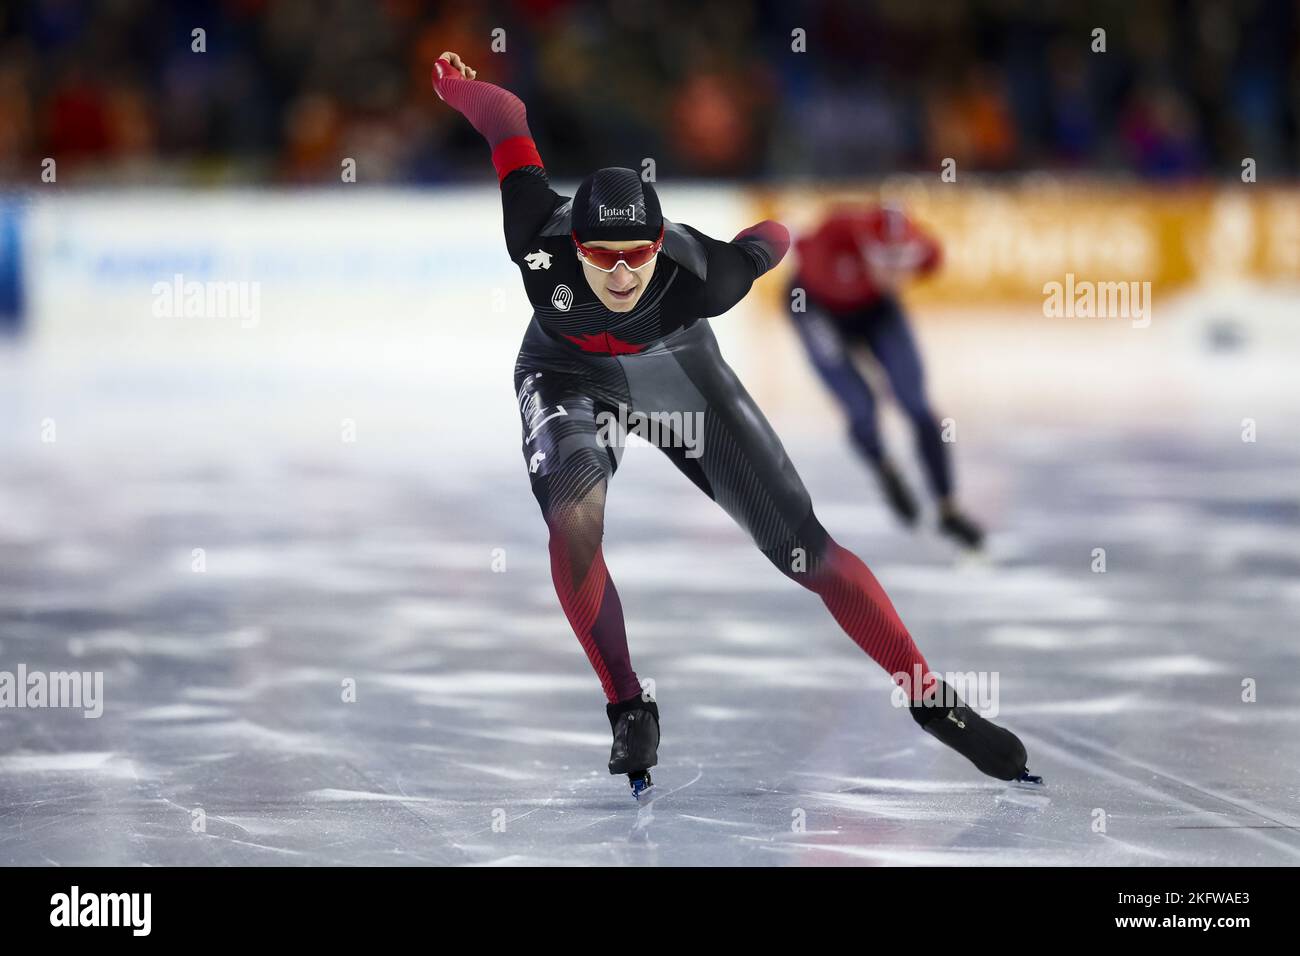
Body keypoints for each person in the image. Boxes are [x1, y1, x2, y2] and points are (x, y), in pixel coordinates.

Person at [433, 52, 1034, 797]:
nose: (621, 274)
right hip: (566, 373)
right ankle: (628, 704)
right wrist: (459, 89)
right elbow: (506, 121)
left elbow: (768, 242)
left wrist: (778, 230)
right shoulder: (533, 236)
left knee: (804, 551)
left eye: (637, 256)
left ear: (660, 246)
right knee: (573, 522)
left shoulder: (704, 277)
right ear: (571, 247)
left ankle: (930, 698)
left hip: (679, 372)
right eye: (600, 256)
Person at [790, 205, 985, 550]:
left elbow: (925, 262)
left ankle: (948, 508)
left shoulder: (925, 253)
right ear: (865, 248)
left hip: (876, 309)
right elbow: (796, 246)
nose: (896, 271)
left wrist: (884, 276)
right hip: (814, 307)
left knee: (917, 404)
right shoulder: (829, 248)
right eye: (886, 260)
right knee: (861, 406)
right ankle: (885, 469)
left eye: (902, 261)